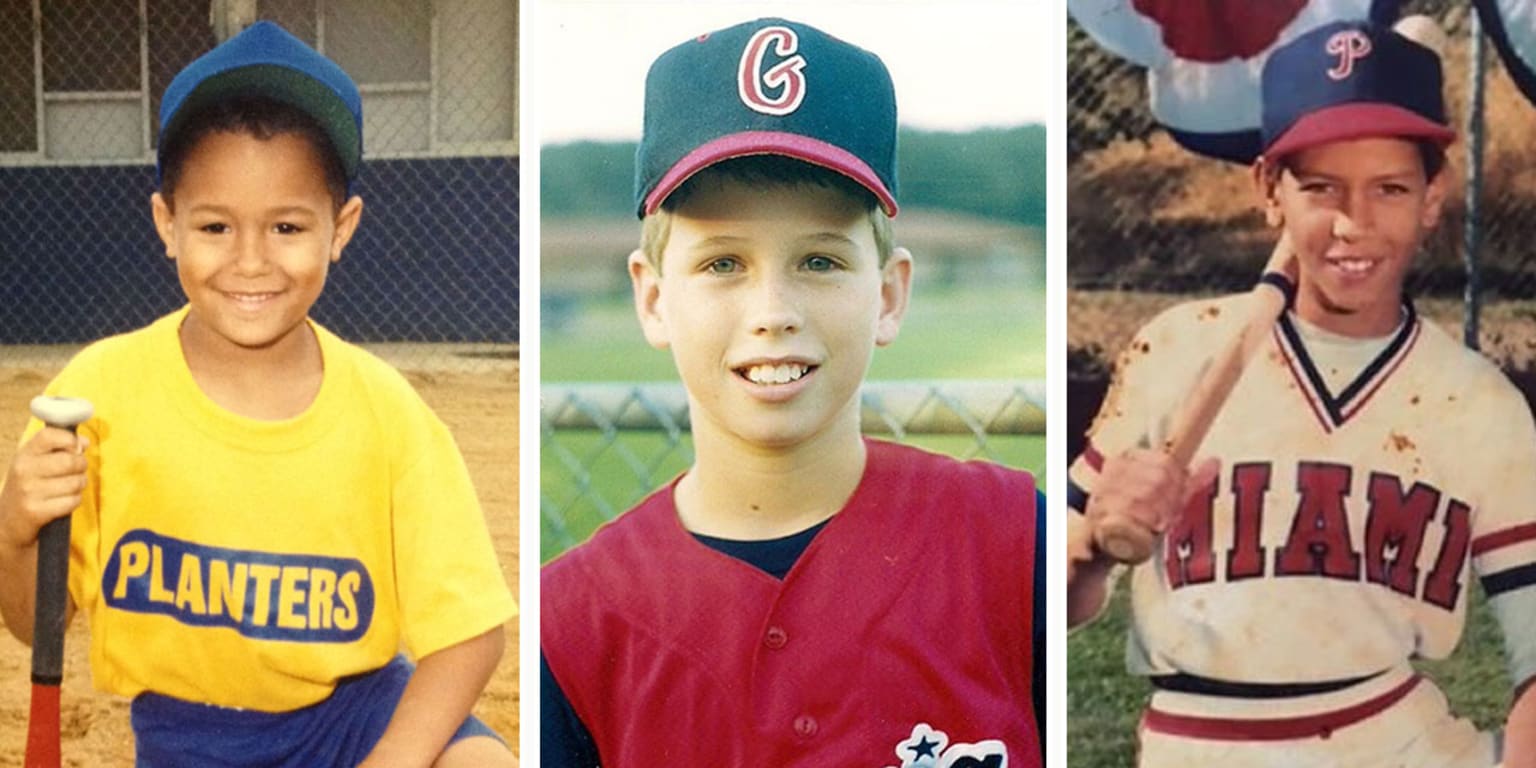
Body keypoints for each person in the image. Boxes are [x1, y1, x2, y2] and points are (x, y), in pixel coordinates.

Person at [0, 21, 517, 767]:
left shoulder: (386, 411)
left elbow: (470, 636)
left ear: (340, 228)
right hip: (190, 736)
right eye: (215, 226)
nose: (250, 261)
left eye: (286, 226)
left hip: (355, 717)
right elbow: (33, 624)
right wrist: (17, 528)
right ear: (167, 224)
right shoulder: (98, 396)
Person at [540, 16, 1042, 767]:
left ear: (889, 295)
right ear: (653, 298)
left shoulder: (1015, 544)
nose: (773, 312)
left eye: (819, 261)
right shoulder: (571, 622)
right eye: (722, 264)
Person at [1066, 17, 1536, 767]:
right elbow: (1046, 606)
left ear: (1433, 197)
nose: (1354, 223)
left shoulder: (1478, 403)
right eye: (1321, 187)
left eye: (1390, 188)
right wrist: (1093, 547)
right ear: (1269, 190)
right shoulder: (1177, 350)